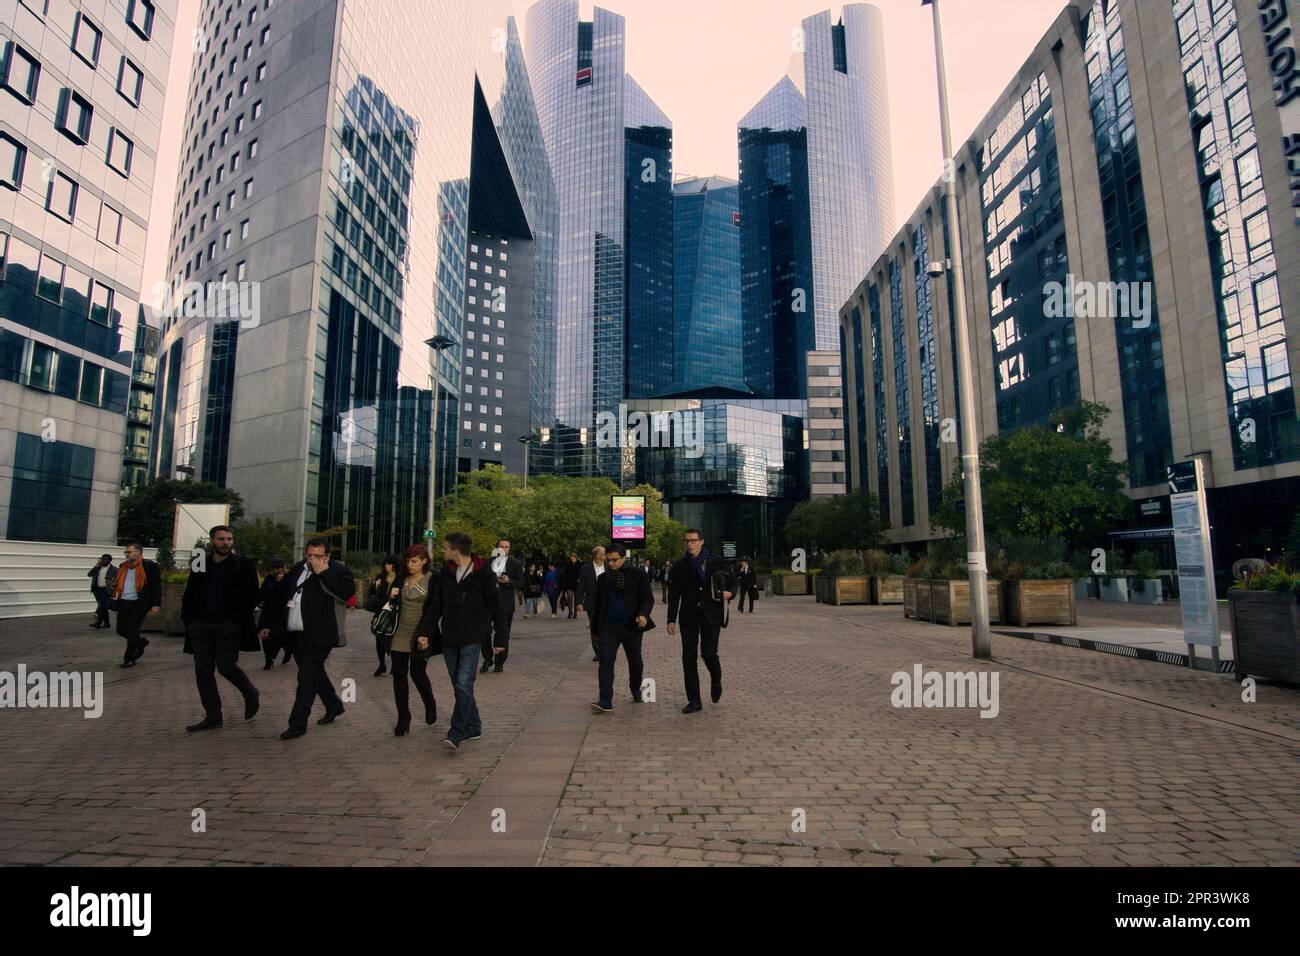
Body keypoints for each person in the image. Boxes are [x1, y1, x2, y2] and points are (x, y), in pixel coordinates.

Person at [414, 532, 508, 753]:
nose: (443, 551)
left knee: (464, 683)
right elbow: (434, 607)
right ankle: (474, 726)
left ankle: (456, 732)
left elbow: (497, 608)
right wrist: (424, 632)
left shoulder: (483, 574)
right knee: (459, 685)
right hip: (450, 637)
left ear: (455, 550)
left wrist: (501, 638)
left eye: (446, 548)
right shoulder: (443, 575)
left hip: (473, 637)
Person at [259, 539, 356, 740]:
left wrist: (324, 572)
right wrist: (266, 623)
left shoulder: (337, 571)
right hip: (295, 635)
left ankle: (297, 723)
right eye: (310, 555)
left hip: (321, 636)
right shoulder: (297, 570)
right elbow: (278, 597)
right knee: (314, 673)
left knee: (306, 677)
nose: (314, 560)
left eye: (319, 556)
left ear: (327, 556)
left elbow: (347, 592)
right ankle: (334, 705)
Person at [180, 525, 263, 732]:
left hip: (229, 625)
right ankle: (213, 715)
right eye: (221, 539)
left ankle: (250, 692)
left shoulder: (243, 564)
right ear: (212, 541)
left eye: (229, 539)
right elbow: (191, 592)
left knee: (226, 666)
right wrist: (190, 621)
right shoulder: (201, 563)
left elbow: (254, 594)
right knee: (203, 671)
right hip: (201, 625)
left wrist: (236, 618)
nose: (225, 543)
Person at [667, 529, 732, 714]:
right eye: (687, 541)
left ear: (701, 542)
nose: (689, 544)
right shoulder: (679, 566)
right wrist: (670, 619)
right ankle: (694, 700)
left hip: (711, 614)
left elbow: (732, 581)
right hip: (688, 617)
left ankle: (716, 678)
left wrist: (730, 593)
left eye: (693, 540)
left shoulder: (716, 561)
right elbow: (674, 594)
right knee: (688, 658)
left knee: (708, 654)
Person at [589, 543, 654, 714]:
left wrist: (643, 615)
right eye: (607, 560)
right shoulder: (603, 578)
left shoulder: (638, 574)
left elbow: (648, 598)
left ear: (624, 558)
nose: (610, 563)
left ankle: (635, 688)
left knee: (635, 661)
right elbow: (597, 605)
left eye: (614, 560)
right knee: (605, 663)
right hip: (608, 628)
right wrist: (595, 630)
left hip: (631, 627)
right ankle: (605, 700)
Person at [383, 545, 438, 737]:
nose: (410, 564)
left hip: (420, 632)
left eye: (414, 561)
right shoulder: (401, 577)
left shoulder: (433, 578)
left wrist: (426, 633)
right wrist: (390, 596)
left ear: (424, 561)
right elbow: (387, 604)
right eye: (408, 561)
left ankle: (429, 703)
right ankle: (403, 718)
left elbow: (434, 609)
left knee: (417, 673)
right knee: (399, 674)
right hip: (399, 631)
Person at [114, 542, 161, 668]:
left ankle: (128, 658)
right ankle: (140, 642)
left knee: (132, 630)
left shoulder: (149, 566)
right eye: (126, 552)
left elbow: (156, 585)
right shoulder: (123, 566)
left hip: (139, 603)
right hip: (124, 601)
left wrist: (156, 604)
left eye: (129, 552)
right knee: (121, 629)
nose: (126, 554)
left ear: (139, 552)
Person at [485, 538, 524, 672]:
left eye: (506, 547)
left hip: (505, 603)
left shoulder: (514, 563)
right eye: (501, 546)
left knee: (503, 633)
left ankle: (499, 662)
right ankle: (487, 658)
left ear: (509, 549)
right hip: (487, 603)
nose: (503, 549)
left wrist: (509, 581)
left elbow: (521, 583)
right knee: (484, 631)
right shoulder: (488, 562)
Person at [365, 556, 400, 676]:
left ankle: (395, 664)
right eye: (386, 564)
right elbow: (372, 593)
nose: (387, 566)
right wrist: (375, 585)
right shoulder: (381, 576)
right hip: (381, 609)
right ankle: (382, 664)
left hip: (394, 610)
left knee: (392, 637)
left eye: (389, 564)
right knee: (379, 636)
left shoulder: (400, 578)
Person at [575, 546, 606, 662]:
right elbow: (581, 586)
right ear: (597, 555)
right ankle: (598, 652)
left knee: (606, 627)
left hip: (607, 602)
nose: (605, 556)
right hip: (591, 603)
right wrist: (579, 602)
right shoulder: (585, 568)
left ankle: (606, 650)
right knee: (594, 627)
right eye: (603, 554)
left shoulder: (609, 567)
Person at [258, 560, 291, 669]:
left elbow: (288, 594)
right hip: (268, 611)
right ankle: (268, 659)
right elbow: (263, 593)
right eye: (275, 568)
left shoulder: (288, 578)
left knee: (281, 636)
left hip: (281, 612)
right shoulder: (269, 579)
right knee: (265, 635)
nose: (277, 570)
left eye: (279, 568)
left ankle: (288, 650)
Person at [87, 554, 115, 629]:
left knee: (102, 606)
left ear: (110, 560)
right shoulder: (98, 568)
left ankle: (98, 623)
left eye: (106, 559)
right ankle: (107, 623)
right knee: (103, 607)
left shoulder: (114, 569)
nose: (104, 561)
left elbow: (117, 580)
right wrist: (96, 566)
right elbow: (89, 574)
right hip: (97, 590)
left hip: (107, 590)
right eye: (103, 559)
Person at [559, 553, 581, 619]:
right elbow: (564, 573)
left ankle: (575, 613)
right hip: (568, 584)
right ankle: (570, 612)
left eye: (573, 558)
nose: (572, 559)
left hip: (577, 584)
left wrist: (580, 579)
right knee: (569, 597)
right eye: (571, 558)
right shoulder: (567, 564)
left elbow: (582, 574)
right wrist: (564, 581)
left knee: (576, 599)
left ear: (576, 558)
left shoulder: (579, 564)